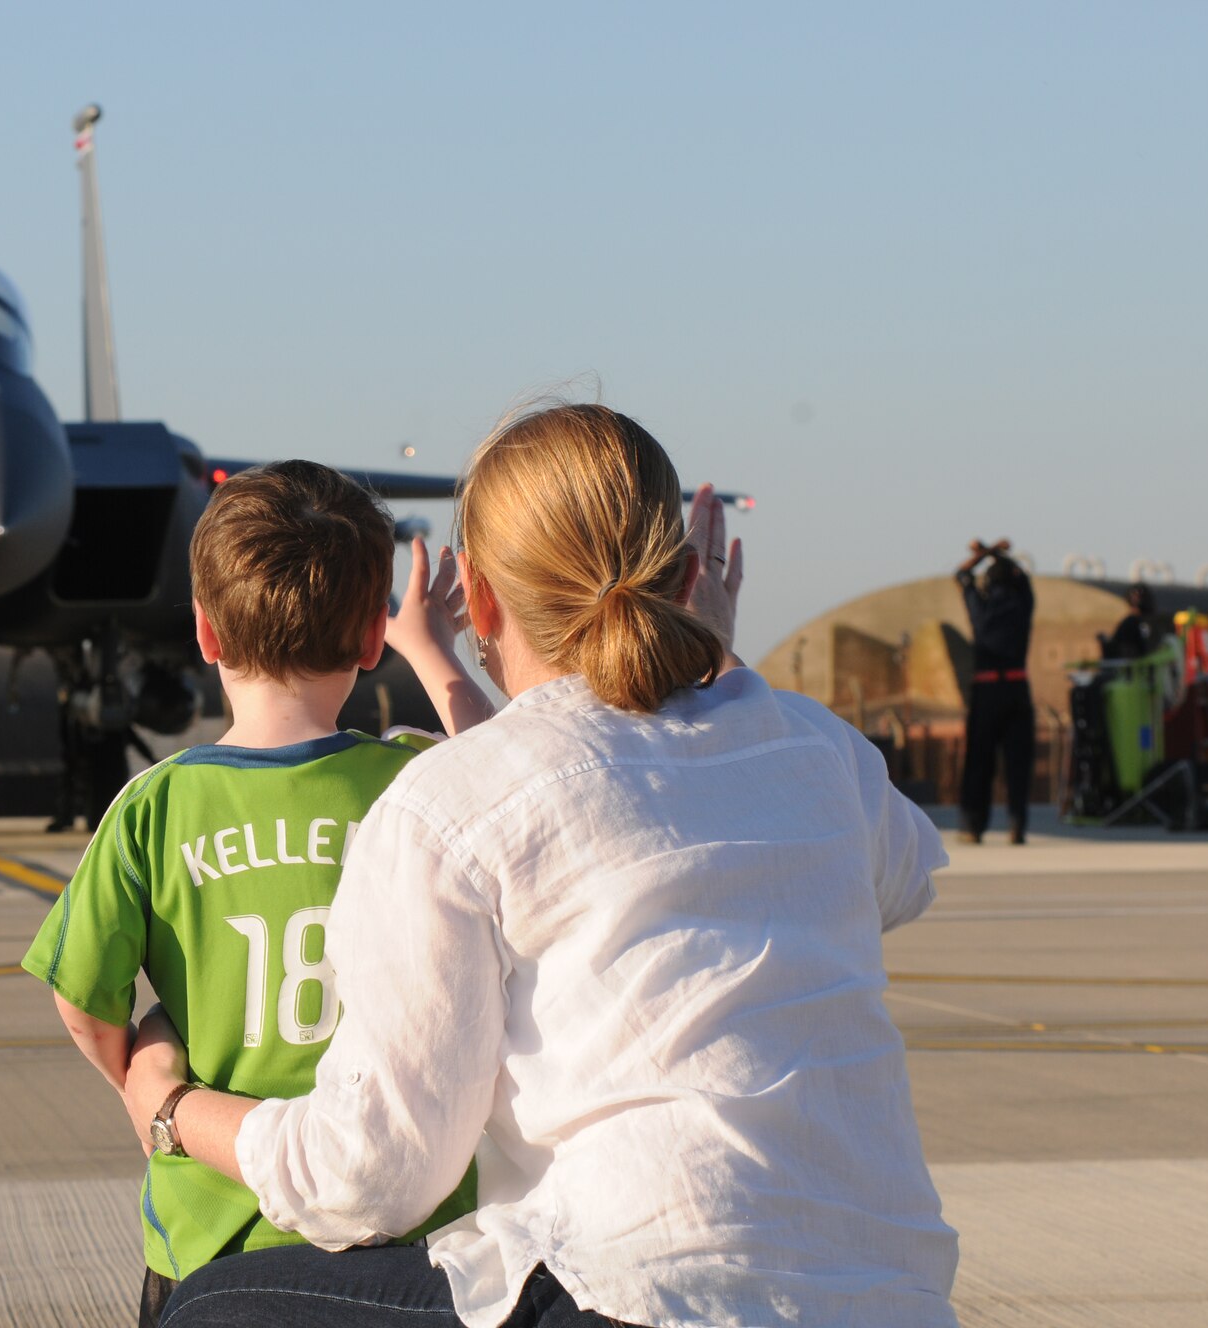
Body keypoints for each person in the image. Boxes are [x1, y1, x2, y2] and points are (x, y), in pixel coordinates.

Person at [119, 404, 958, 1328]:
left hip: (636, 1296)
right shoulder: (815, 746)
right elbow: (904, 876)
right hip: (894, 1303)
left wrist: (170, 1107)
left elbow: (370, 1180)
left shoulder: (450, 801)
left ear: (480, 602)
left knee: (216, 1306)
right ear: (687, 581)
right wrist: (713, 656)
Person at [20, 461, 491, 1328]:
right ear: (370, 639)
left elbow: (82, 1003)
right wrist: (434, 651)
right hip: (410, 1241)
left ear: (205, 632)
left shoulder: (154, 806)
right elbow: (512, 780)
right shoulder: (419, 781)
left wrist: (149, 1097)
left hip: (215, 1244)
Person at [955, 538, 1036, 845]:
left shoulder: (980, 606)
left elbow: (961, 575)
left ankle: (973, 827)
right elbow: (1022, 577)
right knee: (1018, 763)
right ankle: (1017, 825)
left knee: (979, 762)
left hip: (986, 690)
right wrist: (999, 553)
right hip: (1016, 687)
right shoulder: (1022, 605)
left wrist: (984, 553)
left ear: (987, 583)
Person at [1099, 582, 1159, 661]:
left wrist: (1104, 642)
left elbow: (1115, 649)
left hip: (1134, 665)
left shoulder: (1131, 622)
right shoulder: (1158, 622)